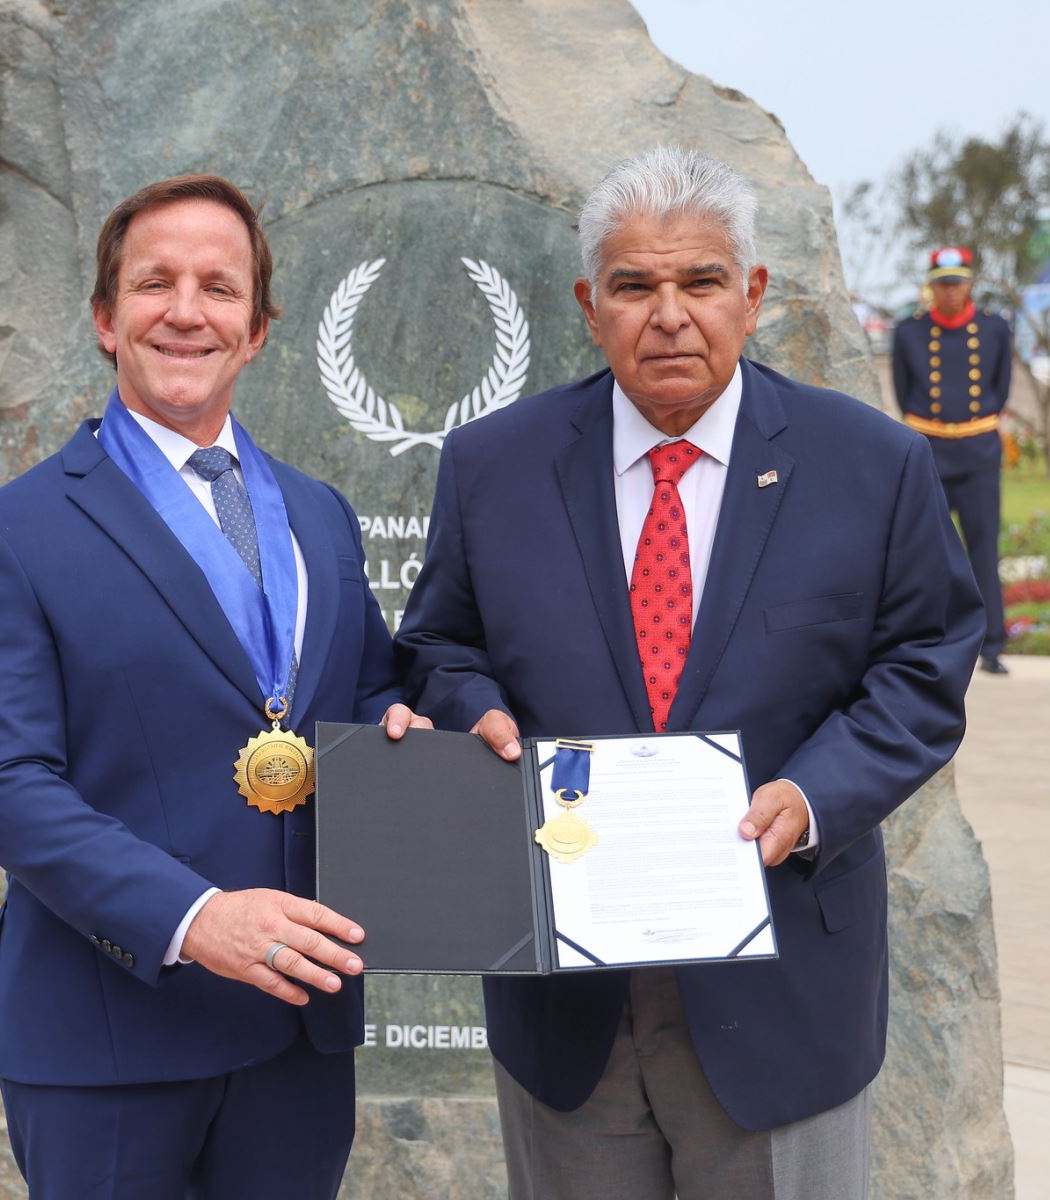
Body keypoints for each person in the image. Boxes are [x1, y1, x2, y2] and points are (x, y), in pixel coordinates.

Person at [397, 147, 984, 1200]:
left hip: (783, 988)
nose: (669, 314)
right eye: (635, 286)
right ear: (590, 304)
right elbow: (441, 644)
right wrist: (475, 715)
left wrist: (813, 795)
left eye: (700, 282)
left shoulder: (870, 466)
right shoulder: (493, 465)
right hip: (565, 1006)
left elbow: (924, 663)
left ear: (751, 296)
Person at [0, 174, 426, 1200]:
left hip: (297, 1035)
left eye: (219, 286)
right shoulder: (6, 538)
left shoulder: (320, 514)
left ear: (259, 328)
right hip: (109, 1038)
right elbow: (5, 789)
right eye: (156, 283)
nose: (187, 311)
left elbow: (365, 690)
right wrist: (197, 918)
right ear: (108, 320)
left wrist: (404, 731)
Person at [892, 246, 1014, 673]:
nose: (950, 291)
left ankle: (993, 645)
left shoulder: (995, 330)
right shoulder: (908, 332)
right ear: (932, 286)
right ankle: (927, 645)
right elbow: (905, 392)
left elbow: (1001, 388)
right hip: (929, 449)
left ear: (970, 283)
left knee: (983, 550)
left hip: (978, 450)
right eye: (943, 284)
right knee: (925, 553)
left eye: (957, 282)